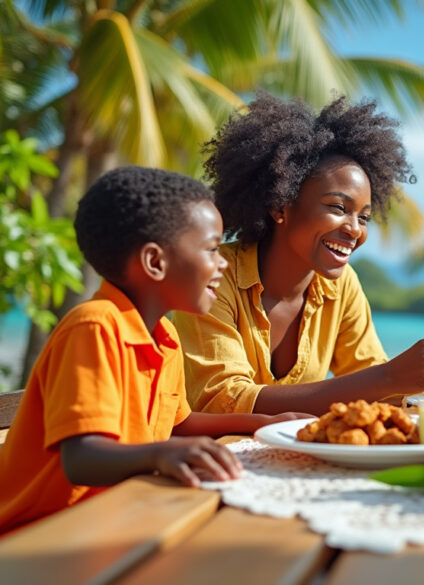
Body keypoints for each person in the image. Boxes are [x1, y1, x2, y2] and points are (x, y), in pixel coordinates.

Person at [0, 167, 307, 535]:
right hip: (34, 535)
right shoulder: (94, 327)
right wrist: (161, 455)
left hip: (109, 518)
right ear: (155, 262)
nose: (222, 262)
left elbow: (178, 424)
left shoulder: (165, 336)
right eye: (211, 249)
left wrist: (262, 424)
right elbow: (82, 458)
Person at [172, 94, 424, 416]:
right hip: (215, 462)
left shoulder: (342, 286)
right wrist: (389, 377)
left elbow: (373, 381)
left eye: (364, 217)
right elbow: (224, 400)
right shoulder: (213, 275)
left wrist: (422, 389)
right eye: (337, 208)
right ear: (279, 205)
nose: (354, 230)